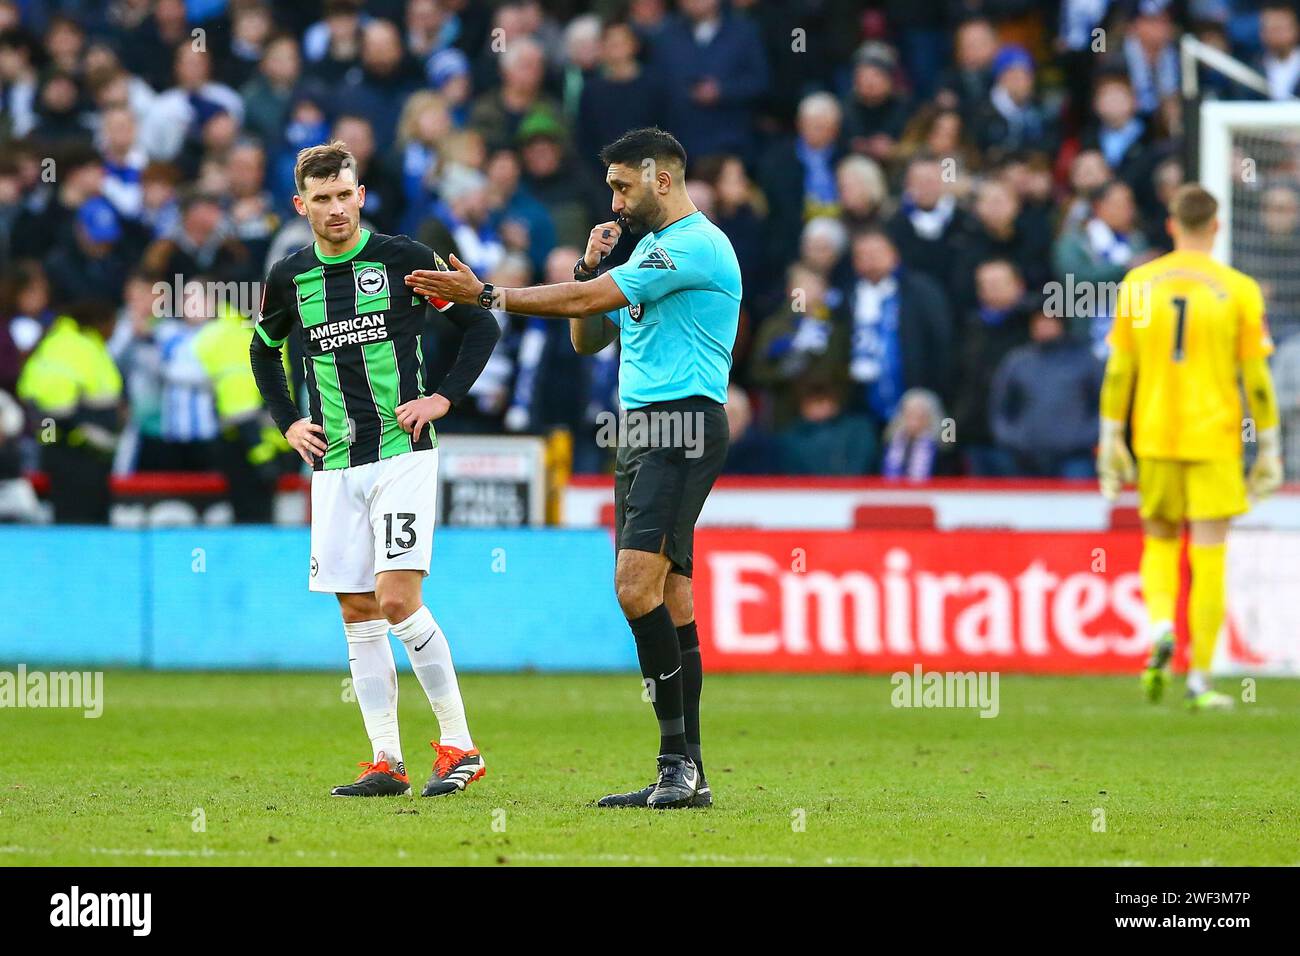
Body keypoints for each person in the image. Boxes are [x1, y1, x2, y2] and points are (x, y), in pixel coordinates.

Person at [406, 127, 740, 811]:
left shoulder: (695, 245)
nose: (614, 199)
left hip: (682, 422)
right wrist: (589, 270)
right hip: (641, 427)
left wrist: (487, 296)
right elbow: (590, 337)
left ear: (662, 179)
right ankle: (687, 771)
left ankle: (676, 762)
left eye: (623, 185)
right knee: (671, 596)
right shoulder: (646, 249)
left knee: (633, 587)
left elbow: (585, 308)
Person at [248, 141, 501, 797]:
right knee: (357, 609)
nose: (336, 209)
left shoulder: (405, 259)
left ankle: (460, 747)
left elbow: (482, 324)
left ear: (361, 195)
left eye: (345, 195)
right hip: (333, 465)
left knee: (394, 599)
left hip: (400, 454)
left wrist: (444, 396)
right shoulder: (289, 277)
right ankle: (386, 759)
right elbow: (263, 349)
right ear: (301, 205)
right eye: (322, 199)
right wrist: (286, 420)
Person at [1097, 184, 1283, 711]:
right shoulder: (1239, 289)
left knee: (1158, 543)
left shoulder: (1138, 283)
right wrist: (1268, 447)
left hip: (1154, 436)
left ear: (1171, 225)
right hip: (1216, 439)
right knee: (1209, 555)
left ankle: (1160, 626)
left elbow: (1118, 371)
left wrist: (1111, 437)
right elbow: (1259, 381)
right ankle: (1200, 679)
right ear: (1217, 227)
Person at [16, 299, 122, 523]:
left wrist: (49, 442)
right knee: (80, 532)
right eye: (113, 323)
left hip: (78, 457)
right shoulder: (74, 346)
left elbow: (33, 401)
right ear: (101, 322)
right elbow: (56, 408)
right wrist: (73, 438)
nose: (114, 331)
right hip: (78, 458)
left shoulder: (62, 342)